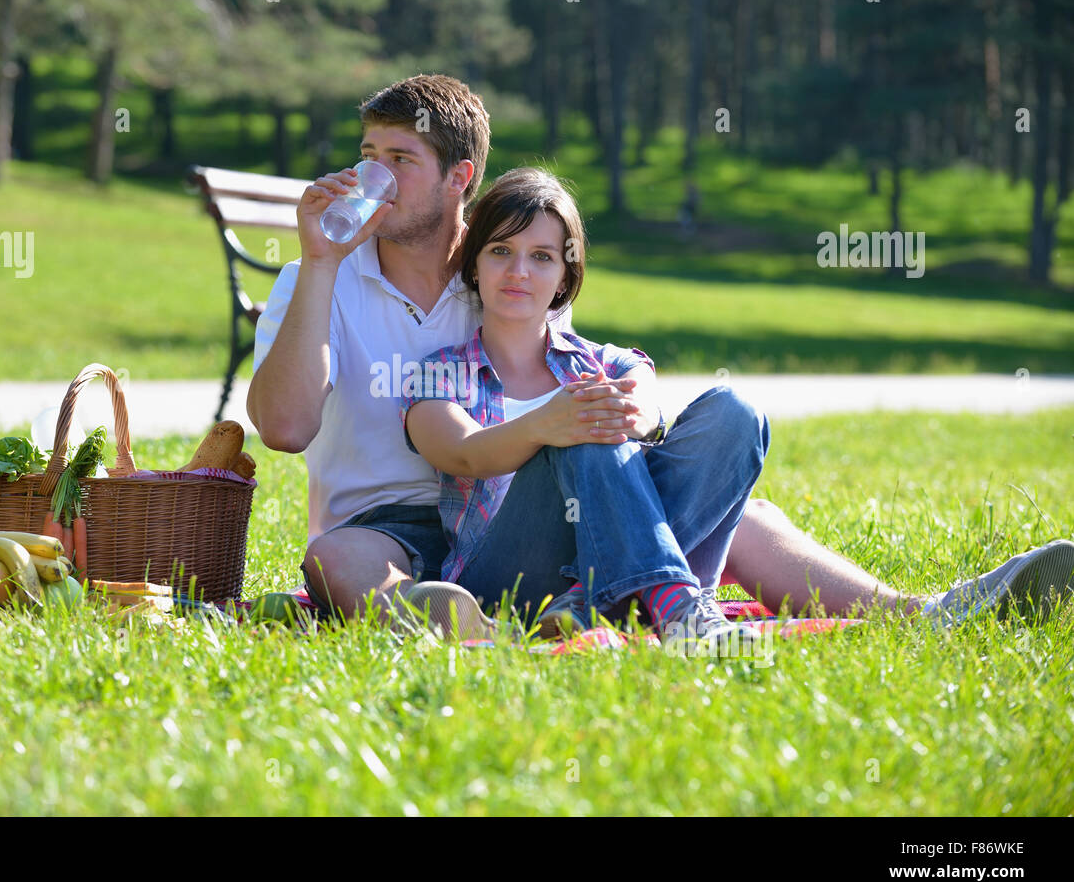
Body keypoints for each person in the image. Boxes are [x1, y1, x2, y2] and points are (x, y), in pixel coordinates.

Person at [247, 73, 1074, 636]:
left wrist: (637, 391)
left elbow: (594, 374)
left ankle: (919, 612)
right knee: (337, 555)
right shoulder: (319, 278)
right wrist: (321, 260)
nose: (372, 176)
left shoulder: (503, 263)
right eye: (366, 154)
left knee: (734, 505)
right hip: (395, 529)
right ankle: (486, 630)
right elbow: (283, 428)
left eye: (399, 160)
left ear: (460, 177)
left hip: (534, 507)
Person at [400, 167, 767, 650]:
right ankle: (672, 604)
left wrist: (646, 417)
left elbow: (643, 393)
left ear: (564, 275)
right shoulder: (436, 373)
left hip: (592, 571)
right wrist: (545, 424)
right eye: (501, 252)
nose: (519, 272)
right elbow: (464, 454)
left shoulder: (603, 363)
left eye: (542, 257)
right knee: (581, 421)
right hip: (505, 579)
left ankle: (591, 600)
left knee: (736, 412)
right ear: (474, 265)